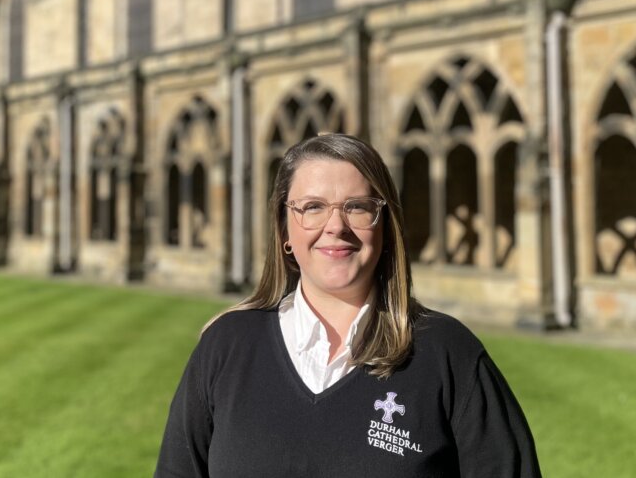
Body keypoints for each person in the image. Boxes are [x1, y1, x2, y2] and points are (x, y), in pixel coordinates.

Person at [155, 134, 540, 478]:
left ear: (385, 226)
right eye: (312, 207)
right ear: (284, 229)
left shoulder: (447, 354)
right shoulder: (227, 346)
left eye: (357, 206)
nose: (335, 226)